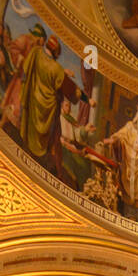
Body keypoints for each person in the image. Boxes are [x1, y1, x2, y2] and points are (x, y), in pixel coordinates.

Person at [11, 33, 88, 174]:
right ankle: (39, 158)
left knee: (30, 126)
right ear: (56, 52)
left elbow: (26, 70)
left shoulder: (35, 53)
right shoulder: (56, 69)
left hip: (32, 100)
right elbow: (71, 90)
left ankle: (25, 147)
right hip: (47, 110)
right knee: (46, 135)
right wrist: (87, 99)